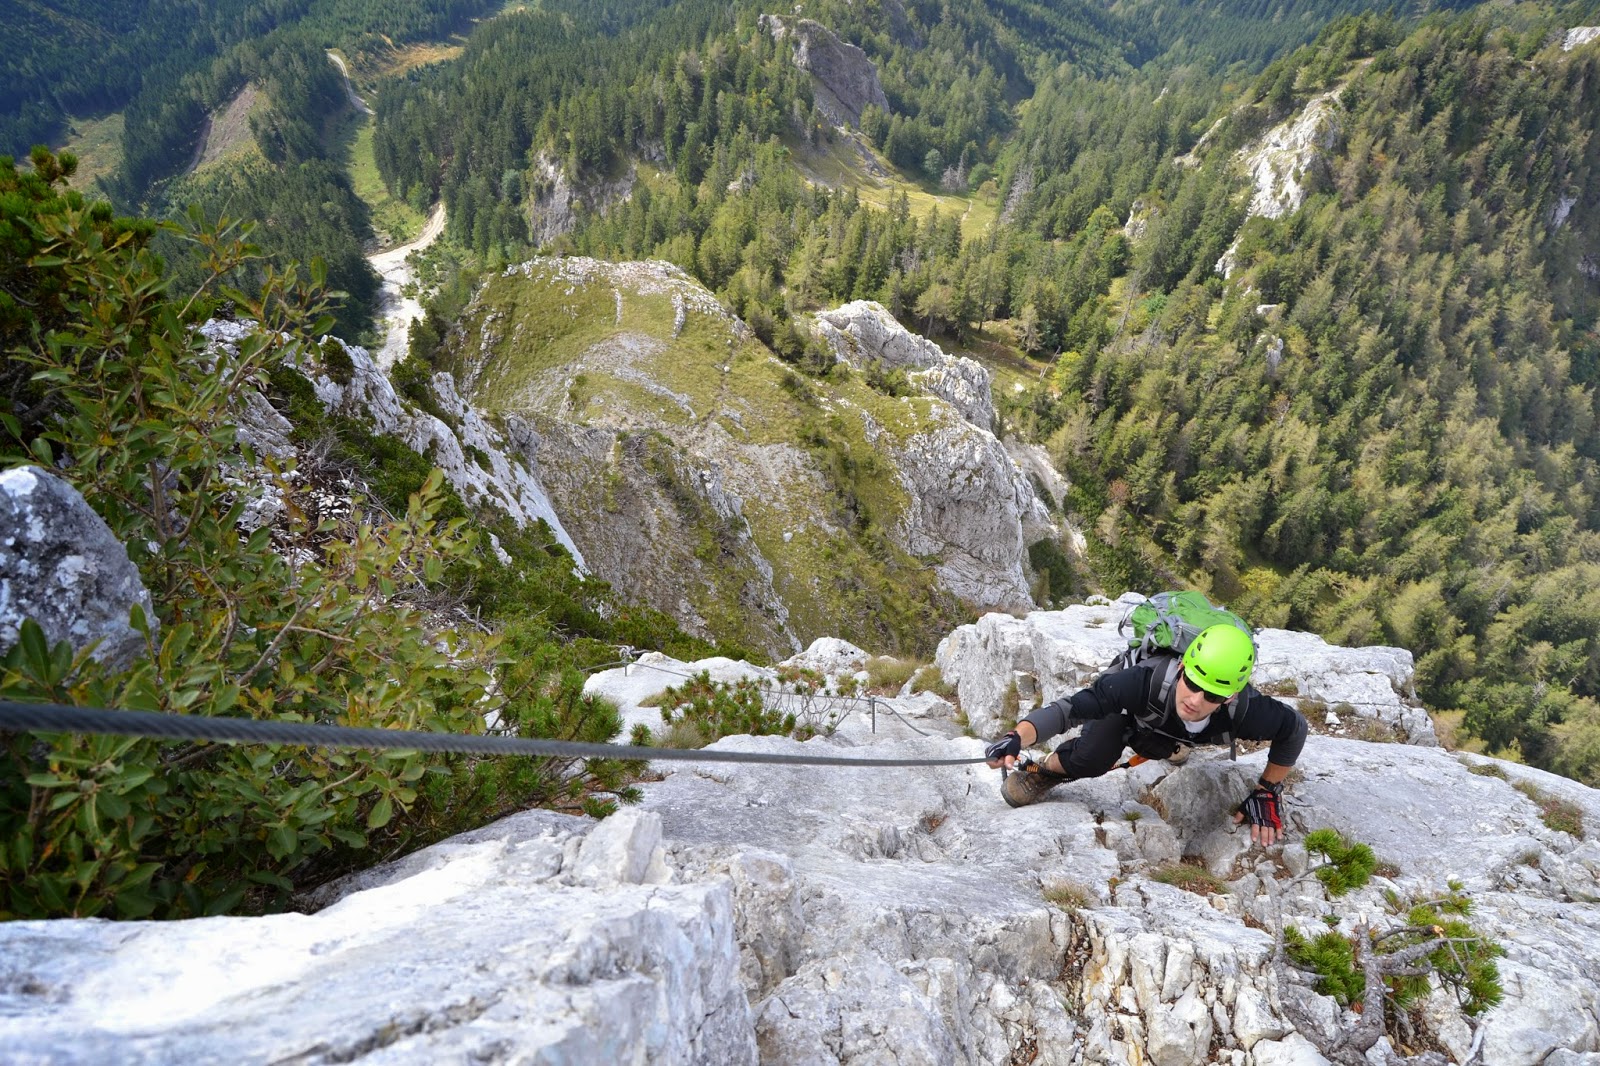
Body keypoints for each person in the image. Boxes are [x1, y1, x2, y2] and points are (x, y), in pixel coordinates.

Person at [983, 624, 1307, 846]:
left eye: (1211, 696)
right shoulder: (1139, 682)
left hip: (1169, 724)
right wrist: (1017, 736)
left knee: (1163, 740)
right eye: (1192, 683)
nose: (1196, 700)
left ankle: (1171, 743)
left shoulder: (1248, 711)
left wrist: (1266, 791)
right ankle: (1046, 770)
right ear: (1181, 668)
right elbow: (1071, 709)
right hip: (1132, 712)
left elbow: (1295, 730)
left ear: (1231, 697)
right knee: (1091, 758)